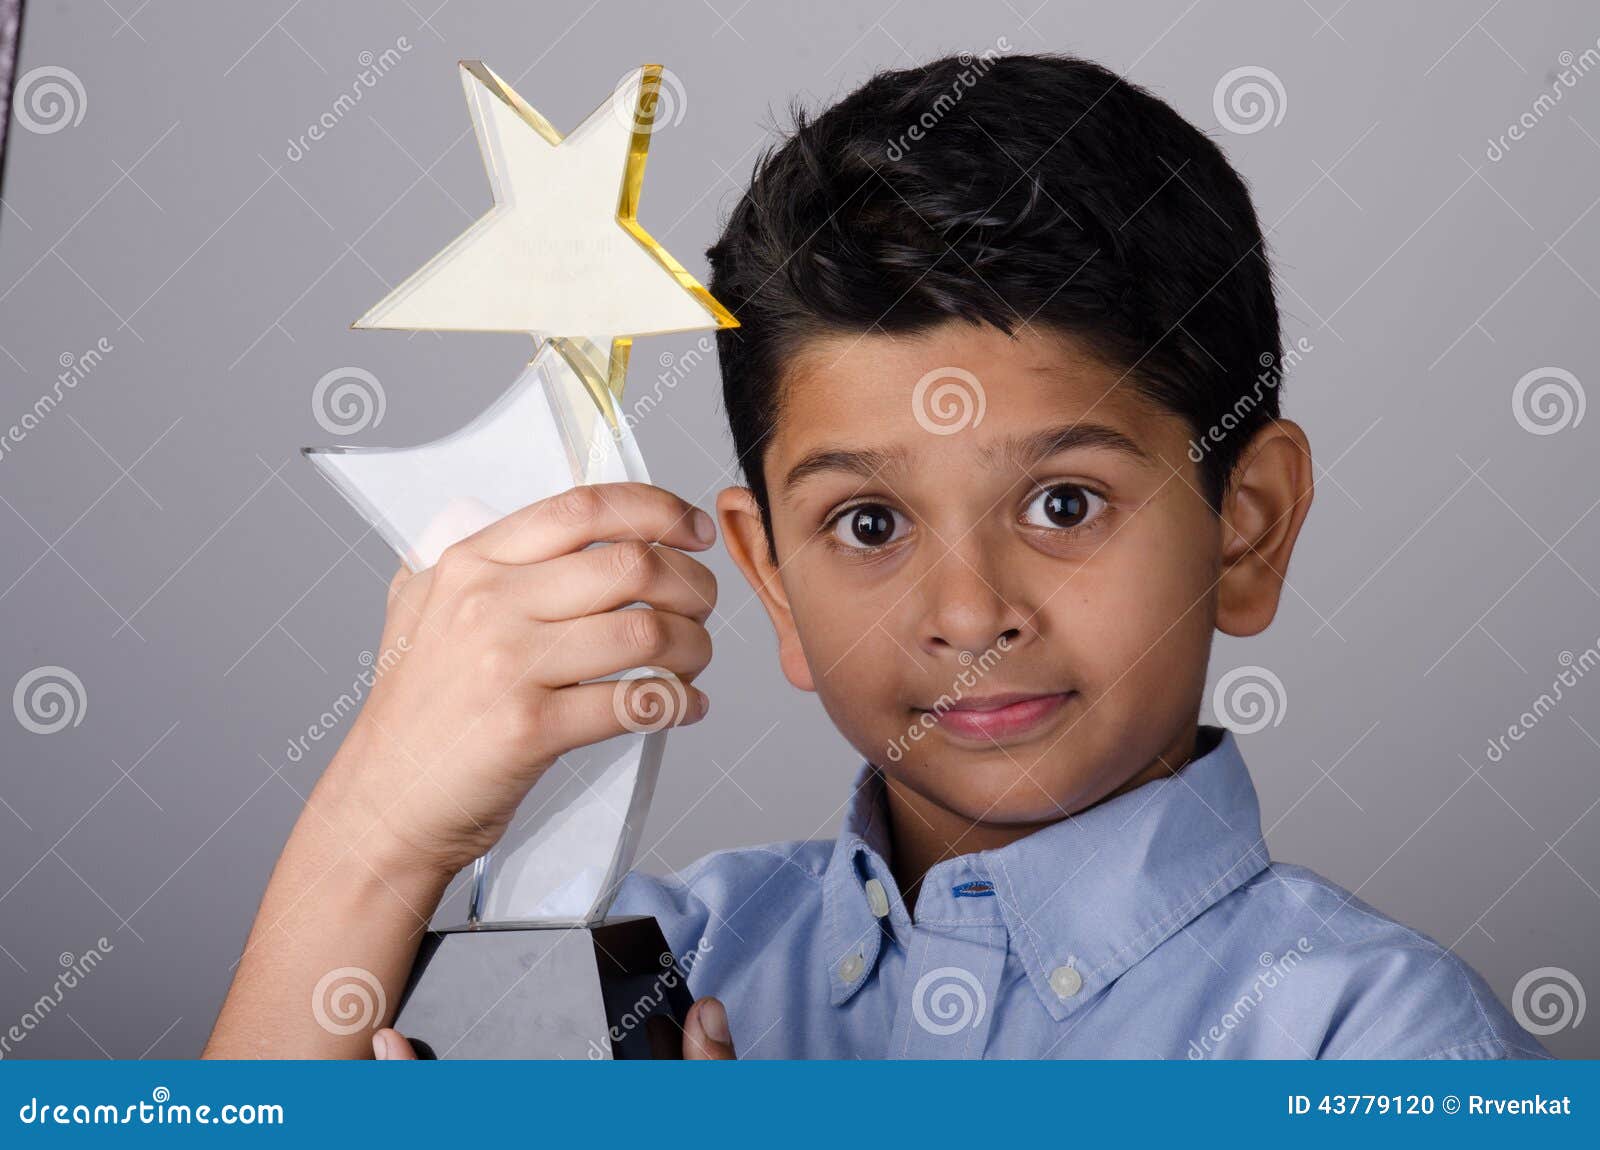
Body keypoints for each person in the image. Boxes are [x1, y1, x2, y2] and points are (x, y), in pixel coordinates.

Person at [204, 52, 1548, 1060]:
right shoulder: (644, 968)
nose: (967, 611)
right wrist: (376, 825)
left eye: (1064, 504)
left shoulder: (1375, 1040)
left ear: (1245, 526)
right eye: (868, 524)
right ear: (772, 580)